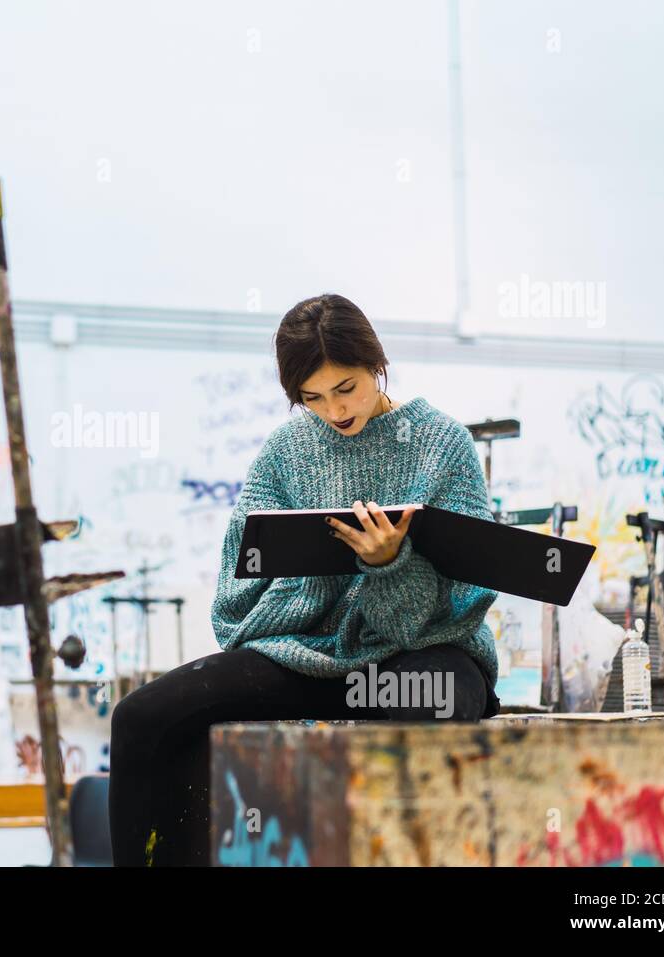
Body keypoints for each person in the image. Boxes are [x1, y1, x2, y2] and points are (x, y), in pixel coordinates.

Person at [109, 293, 502, 866]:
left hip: (422, 654)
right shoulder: (284, 452)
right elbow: (235, 604)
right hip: (310, 656)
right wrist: (321, 570)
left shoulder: (443, 444)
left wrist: (389, 566)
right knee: (141, 717)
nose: (335, 411)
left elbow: (463, 604)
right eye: (312, 399)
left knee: (430, 706)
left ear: (376, 364)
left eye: (346, 388)